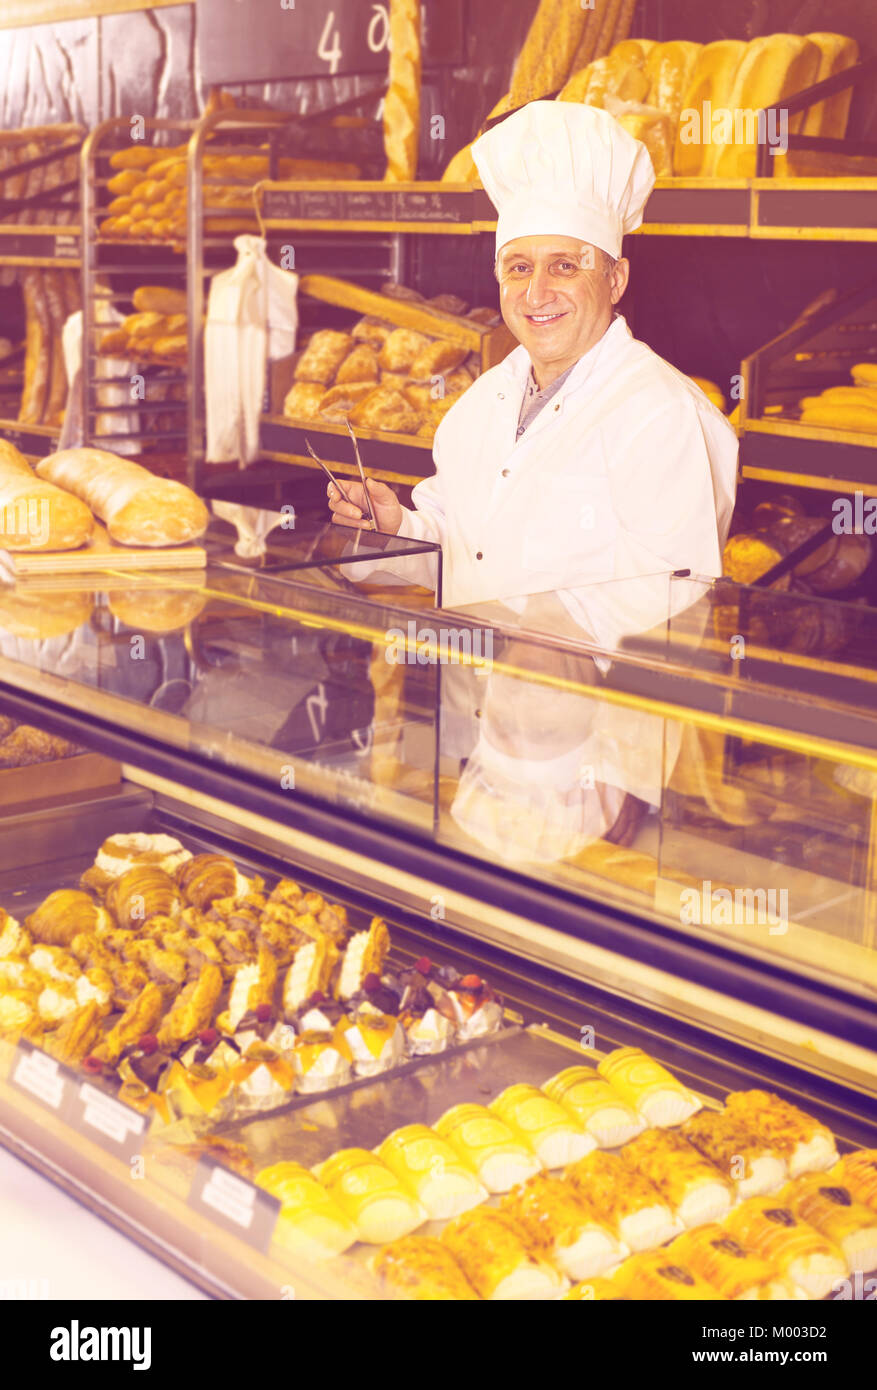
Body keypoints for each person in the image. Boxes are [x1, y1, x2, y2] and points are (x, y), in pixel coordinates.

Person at [328, 101, 739, 856]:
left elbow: (677, 591)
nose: (536, 291)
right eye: (519, 267)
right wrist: (398, 528)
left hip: (594, 764)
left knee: (572, 913)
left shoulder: (661, 411)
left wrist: (545, 629)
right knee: (474, 906)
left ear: (615, 277)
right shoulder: (481, 403)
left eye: (564, 266)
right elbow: (460, 537)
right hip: (477, 737)